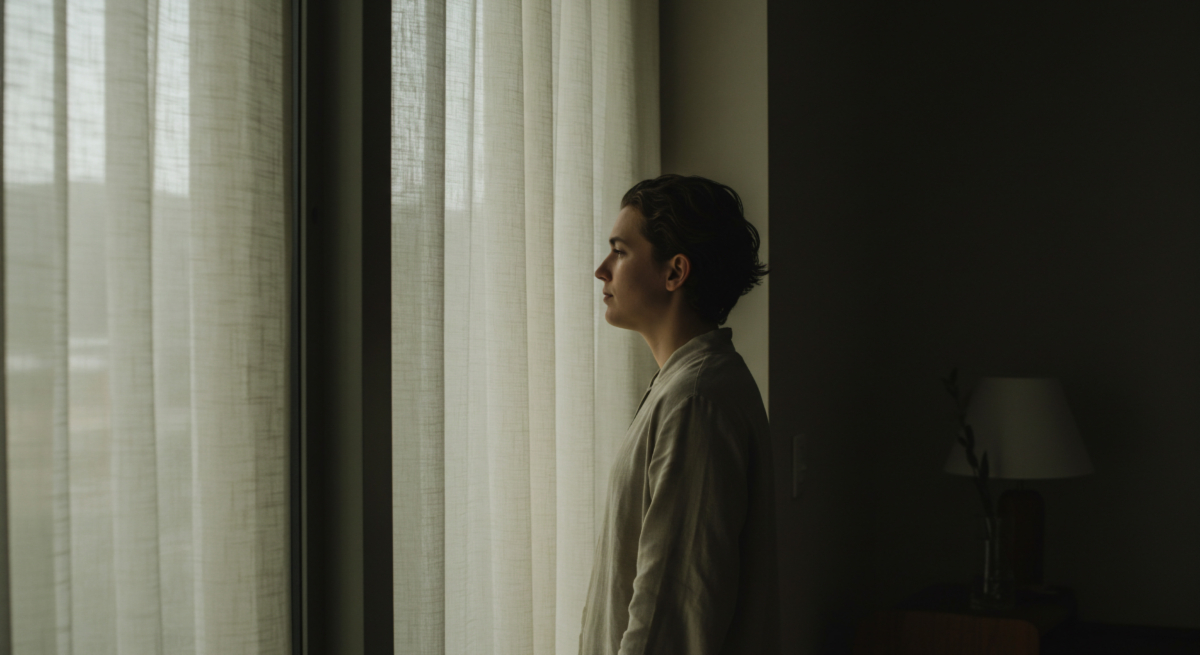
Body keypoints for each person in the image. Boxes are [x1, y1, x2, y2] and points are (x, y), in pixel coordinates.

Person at [580, 174, 779, 654]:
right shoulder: (689, 386)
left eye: (621, 251)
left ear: (675, 272)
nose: (601, 270)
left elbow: (670, 613)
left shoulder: (696, 402)